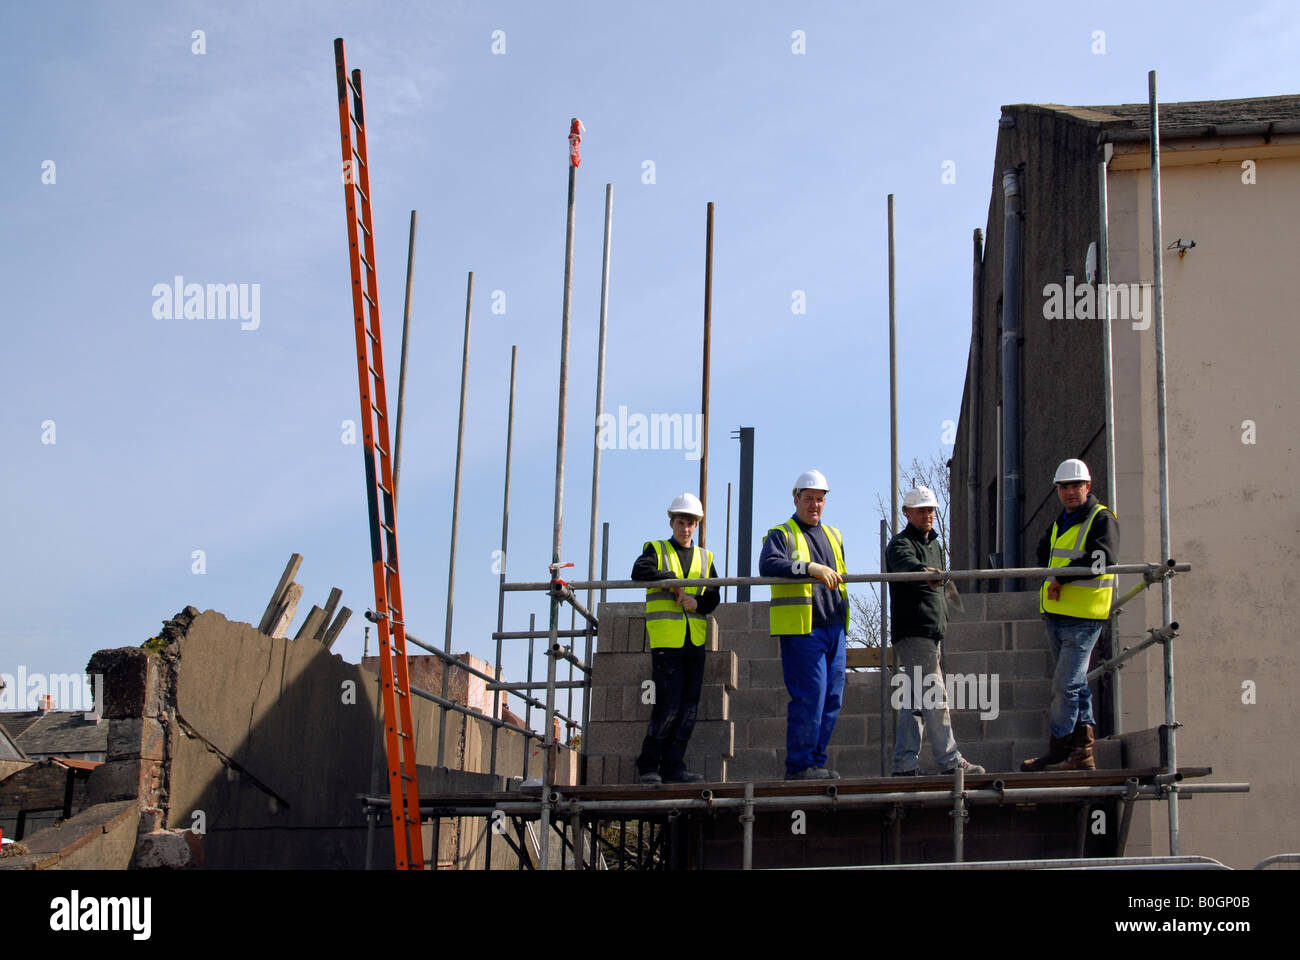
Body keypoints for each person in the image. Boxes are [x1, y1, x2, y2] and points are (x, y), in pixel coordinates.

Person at [1020, 459, 1119, 772]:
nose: (1071, 492)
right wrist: (1053, 577)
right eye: (1065, 487)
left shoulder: (1101, 519)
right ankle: (1083, 753)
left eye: (1076, 485)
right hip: (1056, 616)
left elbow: (1103, 559)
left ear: (1087, 487)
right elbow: (1042, 554)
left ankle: (1059, 749)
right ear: (1058, 491)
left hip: (1084, 618)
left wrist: (1060, 578)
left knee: (1064, 686)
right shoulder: (1060, 523)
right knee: (1076, 686)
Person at [886, 486, 985, 776]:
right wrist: (924, 573)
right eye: (921, 510)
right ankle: (950, 761)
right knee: (934, 695)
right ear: (907, 513)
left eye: (930, 510)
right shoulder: (900, 544)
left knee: (915, 700)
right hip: (914, 630)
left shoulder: (936, 546)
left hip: (931, 631)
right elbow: (906, 567)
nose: (928, 515)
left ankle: (904, 765)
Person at [760, 470, 849, 780]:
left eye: (820, 499)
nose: (815, 504)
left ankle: (816, 763)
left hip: (834, 626)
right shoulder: (781, 534)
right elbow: (769, 564)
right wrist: (809, 567)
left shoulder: (834, 535)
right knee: (811, 694)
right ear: (796, 499)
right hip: (803, 629)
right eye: (809, 498)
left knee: (832, 698)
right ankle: (800, 767)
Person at [631, 493, 720, 784]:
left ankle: (673, 767)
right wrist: (671, 581)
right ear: (672, 522)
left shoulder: (706, 558)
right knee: (668, 705)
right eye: (681, 522)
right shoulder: (656, 549)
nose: (685, 528)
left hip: (694, 640)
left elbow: (715, 594)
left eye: (691, 523)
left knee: (689, 708)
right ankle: (648, 764)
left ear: (697, 526)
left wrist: (700, 603)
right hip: (667, 641)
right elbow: (639, 572)